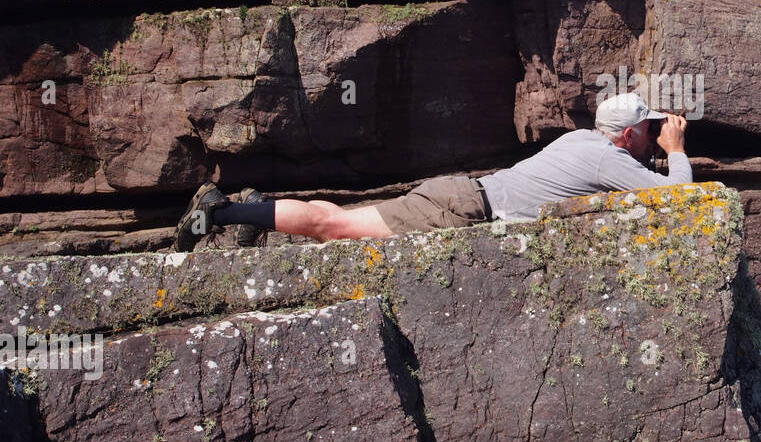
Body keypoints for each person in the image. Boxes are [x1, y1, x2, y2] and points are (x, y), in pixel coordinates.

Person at [173, 92, 691, 250]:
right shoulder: (608, 157)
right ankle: (219, 213)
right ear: (626, 135)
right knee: (335, 229)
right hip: (462, 209)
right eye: (648, 130)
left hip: (463, 195)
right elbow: (682, 199)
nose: (653, 136)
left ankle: (252, 213)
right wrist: (676, 147)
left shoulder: (583, 137)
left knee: (335, 218)